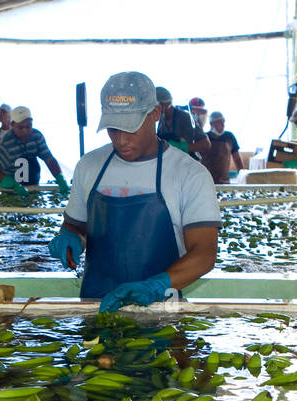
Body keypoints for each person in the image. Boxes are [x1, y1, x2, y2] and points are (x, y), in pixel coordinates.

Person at [47, 71, 221, 313]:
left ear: (155, 114)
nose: (121, 140)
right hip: (97, 308)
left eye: (130, 128)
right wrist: (71, 239)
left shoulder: (189, 173)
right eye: (113, 129)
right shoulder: (89, 166)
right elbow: (76, 226)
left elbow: (204, 253)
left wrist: (155, 286)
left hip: (163, 311)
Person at [0, 106, 68, 198]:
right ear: (12, 125)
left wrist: (60, 177)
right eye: (20, 128)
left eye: (29, 126)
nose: (25, 131)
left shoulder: (36, 136)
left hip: (34, 187)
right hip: (12, 191)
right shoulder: (5, 143)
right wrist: (7, 180)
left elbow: (48, 158)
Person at [155, 87, 208, 156]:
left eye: (156, 105)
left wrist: (182, 147)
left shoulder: (183, 118)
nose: (154, 109)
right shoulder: (162, 118)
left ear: (167, 103)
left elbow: (206, 144)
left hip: (186, 162)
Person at [205, 111, 244, 184]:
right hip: (206, 180)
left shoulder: (229, 136)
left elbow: (237, 158)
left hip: (223, 180)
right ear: (211, 124)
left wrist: (241, 173)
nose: (222, 125)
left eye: (223, 122)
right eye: (219, 122)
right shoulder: (204, 138)